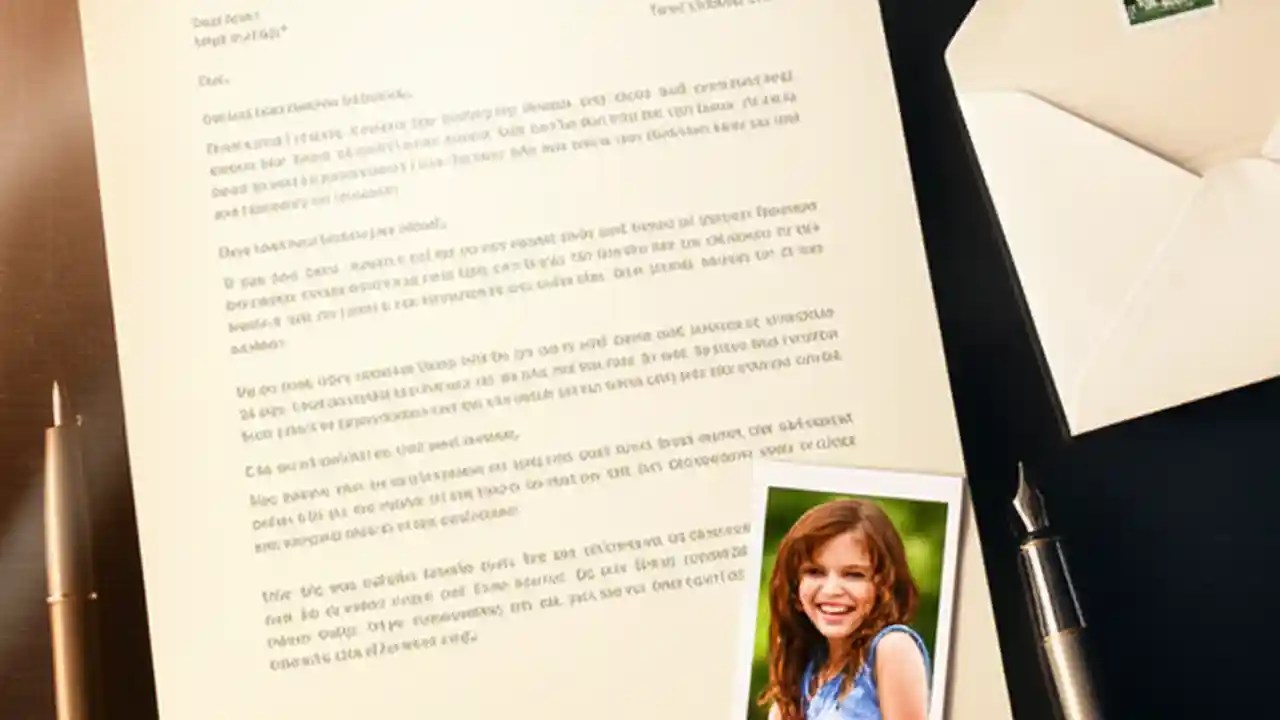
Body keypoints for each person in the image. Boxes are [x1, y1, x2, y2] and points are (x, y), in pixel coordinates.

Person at [758, 498, 931, 720]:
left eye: (854, 574)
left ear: (884, 586)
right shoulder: (804, 678)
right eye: (815, 572)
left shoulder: (892, 648)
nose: (831, 590)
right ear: (795, 588)